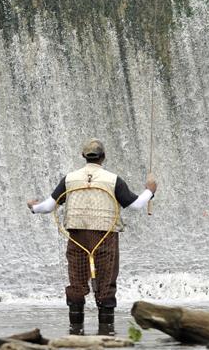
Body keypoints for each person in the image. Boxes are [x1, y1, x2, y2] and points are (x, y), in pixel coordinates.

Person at [27, 139, 156, 335]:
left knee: (77, 282)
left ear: (83, 156)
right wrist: (150, 190)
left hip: (77, 236)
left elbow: (48, 207)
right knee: (106, 285)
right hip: (105, 236)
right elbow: (136, 205)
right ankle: (106, 333)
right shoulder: (113, 179)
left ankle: (75, 331)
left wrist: (33, 207)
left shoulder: (69, 179)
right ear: (103, 157)